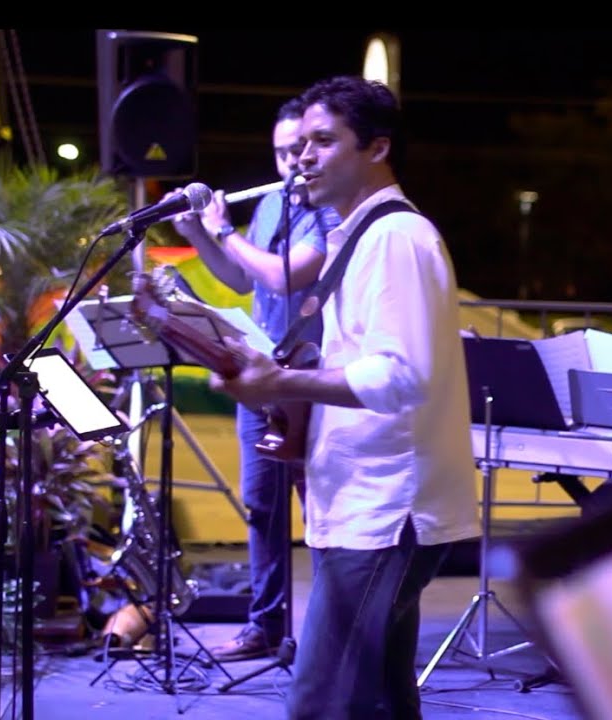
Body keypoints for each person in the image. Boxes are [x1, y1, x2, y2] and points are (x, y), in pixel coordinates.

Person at [209, 76, 480, 719]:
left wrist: (279, 383)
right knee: (381, 699)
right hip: (368, 504)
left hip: (386, 511)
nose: (303, 157)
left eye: (324, 141)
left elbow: (399, 377)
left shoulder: (394, 239)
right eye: (301, 142)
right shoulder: (357, 237)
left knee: (324, 703)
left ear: (377, 147)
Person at [169, 96, 340, 662]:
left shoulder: (328, 209)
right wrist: (197, 233)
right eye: (282, 153)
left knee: (319, 508)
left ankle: (330, 632)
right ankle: (265, 626)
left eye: (300, 150)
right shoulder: (271, 205)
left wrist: (223, 230)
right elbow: (243, 280)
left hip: (312, 380)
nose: (292, 163)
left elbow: (287, 277)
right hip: (261, 372)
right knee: (261, 505)